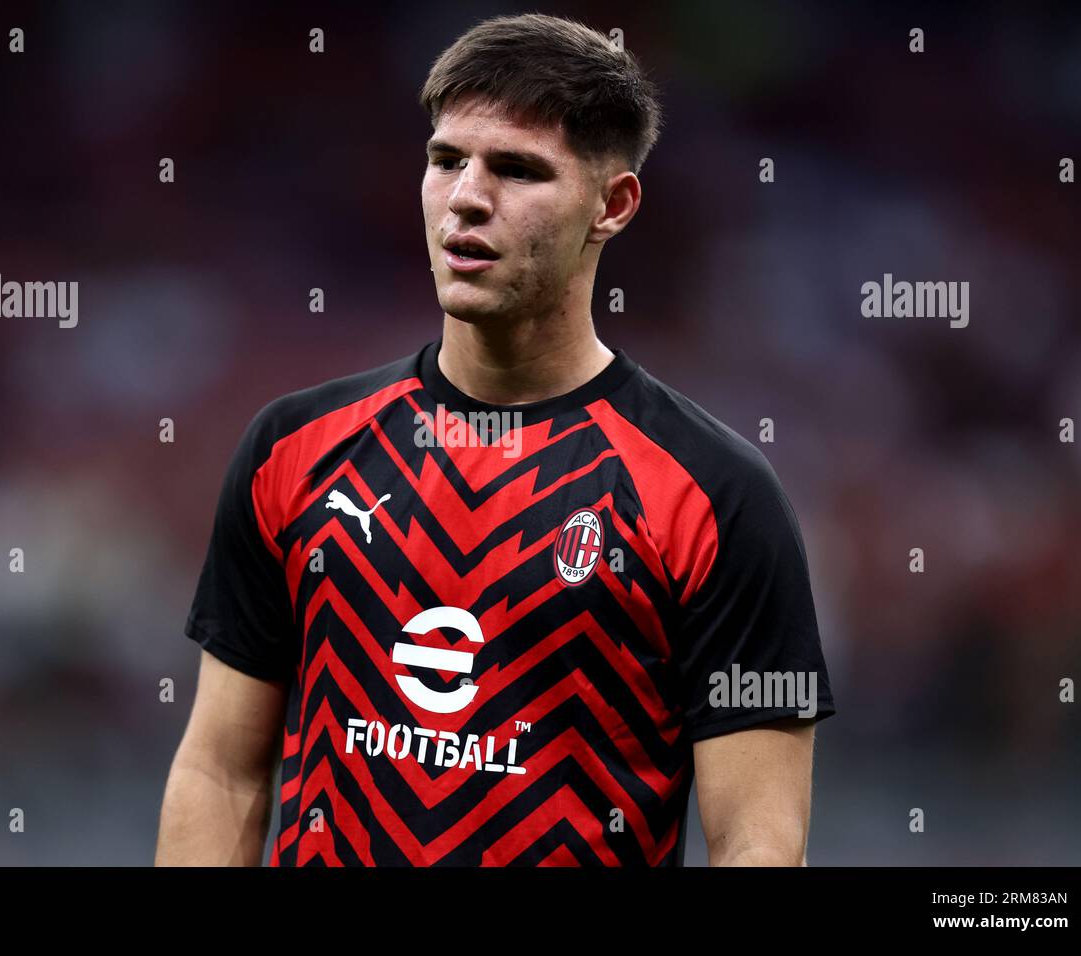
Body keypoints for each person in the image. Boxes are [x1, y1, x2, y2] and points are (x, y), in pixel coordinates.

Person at [156, 12, 835, 867]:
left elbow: (758, 843)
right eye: (446, 160)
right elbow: (220, 772)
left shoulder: (717, 495)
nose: (468, 197)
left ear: (613, 205)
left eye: (518, 170)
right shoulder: (292, 448)